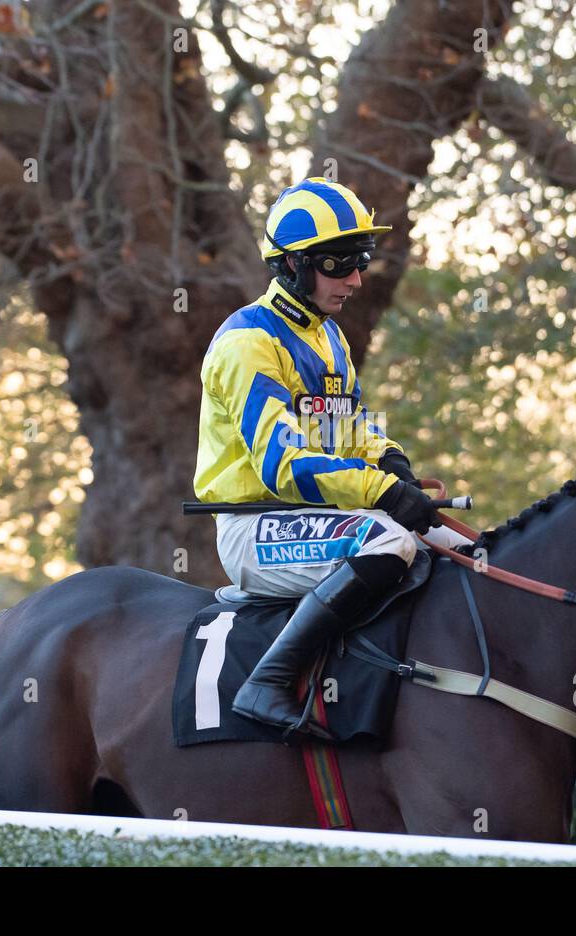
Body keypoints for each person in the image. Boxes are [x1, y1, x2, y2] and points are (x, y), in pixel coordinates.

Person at [193, 177, 470, 737]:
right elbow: (285, 465)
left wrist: (394, 464)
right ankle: (267, 681)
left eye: (360, 260)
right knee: (388, 539)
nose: (356, 278)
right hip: (255, 527)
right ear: (293, 266)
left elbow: (353, 429)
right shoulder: (247, 341)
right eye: (339, 263)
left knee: (466, 549)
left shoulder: (331, 338)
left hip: (315, 517)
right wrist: (383, 494)